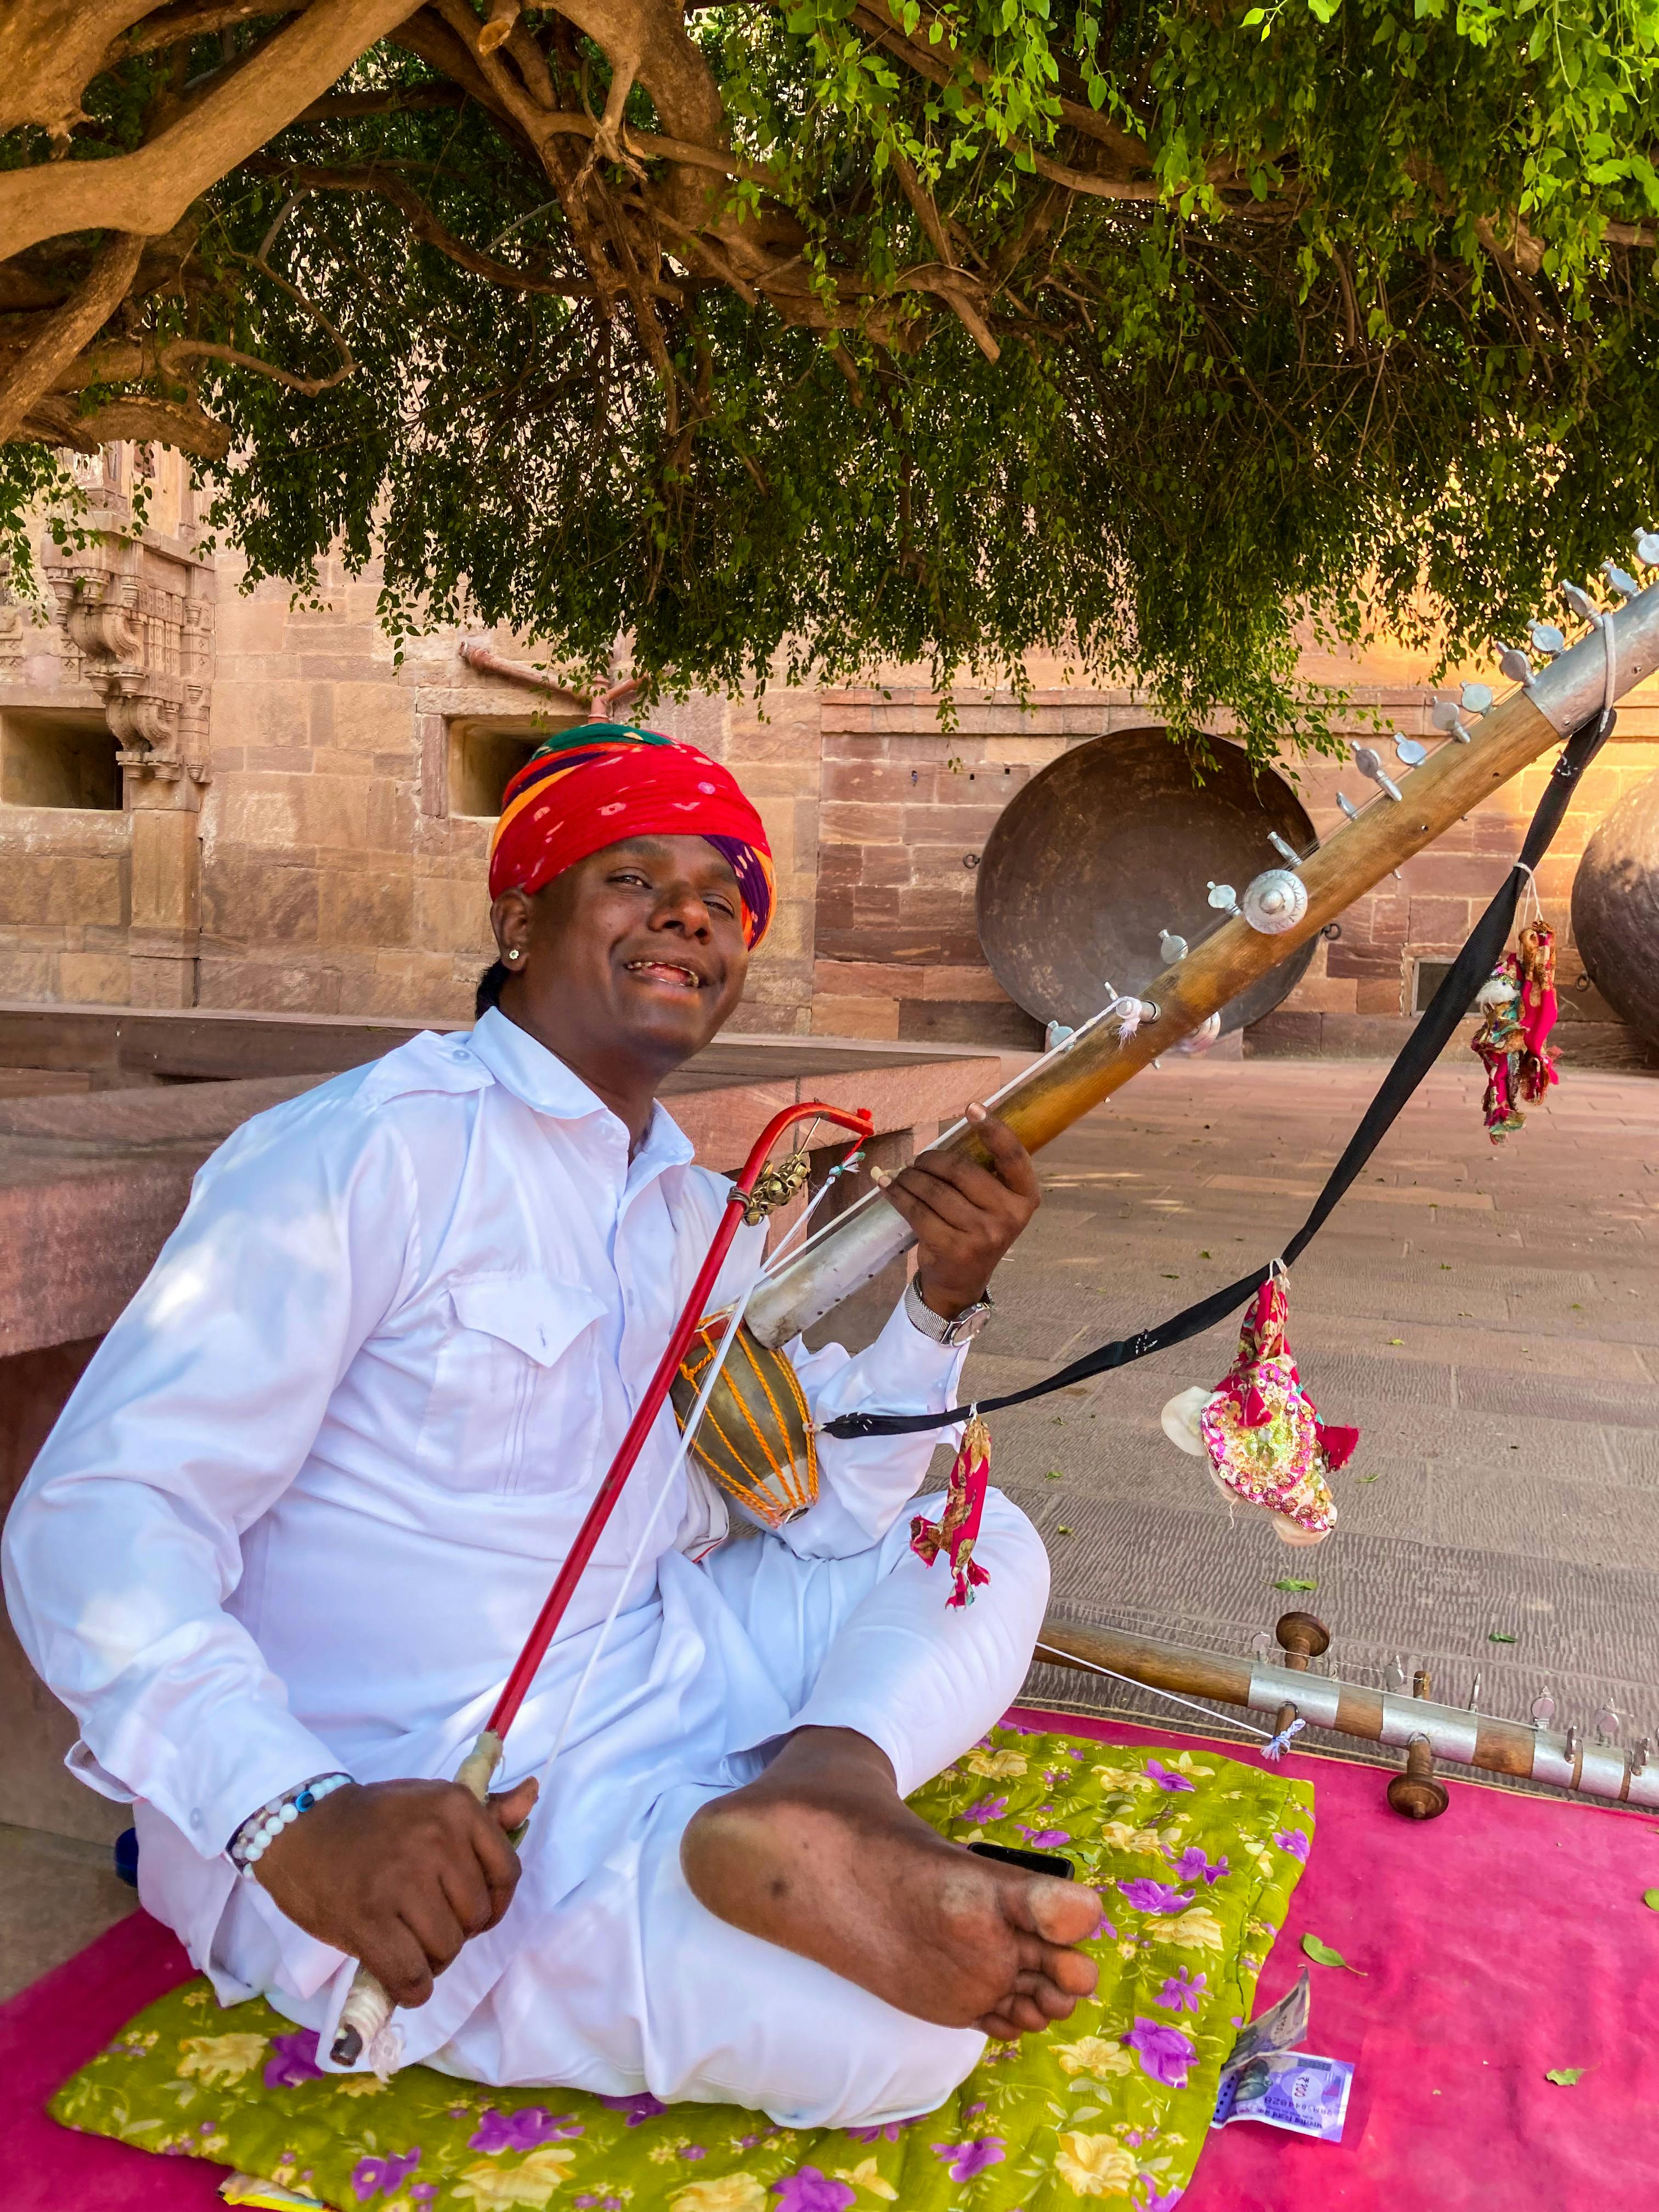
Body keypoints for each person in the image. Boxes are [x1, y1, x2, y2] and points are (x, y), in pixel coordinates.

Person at [3, 723, 1099, 2130]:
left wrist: (942, 1304)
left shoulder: (698, 1215)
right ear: (522, 917)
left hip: (667, 1682)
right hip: (430, 1818)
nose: (689, 915)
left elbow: (822, 1506)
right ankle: (761, 1839)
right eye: (634, 879)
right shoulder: (368, 1152)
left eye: (722, 898)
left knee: (974, 1534)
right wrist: (291, 1813)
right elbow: (100, 1518)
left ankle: (831, 1784)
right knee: (902, 2047)